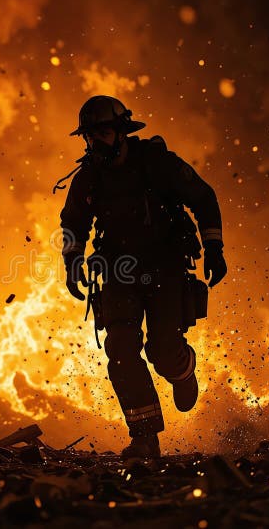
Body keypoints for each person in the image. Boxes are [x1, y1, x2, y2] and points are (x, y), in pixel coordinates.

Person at [58, 95, 227, 459]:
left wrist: (214, 247)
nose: (94, 143)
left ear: (121, 132)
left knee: (162, 351)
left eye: (101, 133)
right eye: (89, 137)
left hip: (165, 266)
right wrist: (72, 259)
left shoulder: (157, 163)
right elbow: (72, 222)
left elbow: (203, 197)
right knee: (120, 351)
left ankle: (182, 371)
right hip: (120, 273)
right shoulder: (89, 177)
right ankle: (145, 438)